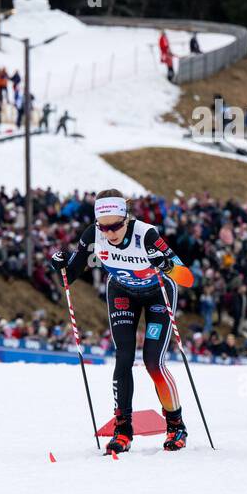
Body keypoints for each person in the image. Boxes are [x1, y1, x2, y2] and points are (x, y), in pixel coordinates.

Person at [47, 189, 195, 454]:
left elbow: (187, 278)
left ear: (126, 218)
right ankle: (123, 431)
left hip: (157, 294)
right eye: (104, 228)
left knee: (153, 361)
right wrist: (59, 265)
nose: (110, 233)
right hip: (122, 292)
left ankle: (176, 426)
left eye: (115, 226)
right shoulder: (92, 235)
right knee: (123, 358)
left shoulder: (146, 234)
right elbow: (71, 274)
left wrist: (166, 265)